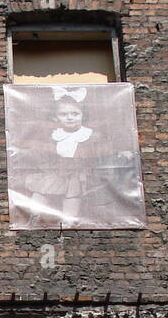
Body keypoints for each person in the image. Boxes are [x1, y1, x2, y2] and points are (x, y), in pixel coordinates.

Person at [10, 87, 131, 229]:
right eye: (63, 114)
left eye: (75, 113)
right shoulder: (53, 135)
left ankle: (69, 226)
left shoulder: (91, 136)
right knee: (39, 197)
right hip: (55, 174)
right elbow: (37, 151)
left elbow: (103, 150)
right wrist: (19, 151)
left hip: (78, 177)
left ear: (83, 116)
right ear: (56, 117)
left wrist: (120, 152)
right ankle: (32, 221)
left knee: (71, 208)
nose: (70, 117)